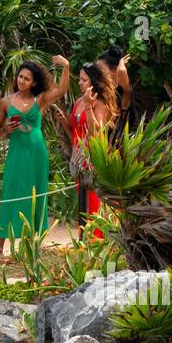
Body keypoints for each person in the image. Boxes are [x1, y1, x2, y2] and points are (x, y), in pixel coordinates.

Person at [0, 56, 70, 255]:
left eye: (27, 78)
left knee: (36, 193)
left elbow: (61, 90)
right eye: (20, 76)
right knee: (10, 192)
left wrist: (66, 66)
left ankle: (34, 243)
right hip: (17, 152)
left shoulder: (40, 99)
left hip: (37, 153)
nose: (22, 81)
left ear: (34, 82)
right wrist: (6, 129)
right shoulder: (5, 102)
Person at [68, 62, 118, 240]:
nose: (80, 83)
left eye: (84, 79)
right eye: (79, 79)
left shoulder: (99, 103)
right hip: (78, 157)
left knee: (95, 200)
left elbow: (96, 131)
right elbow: (75, 130)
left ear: (93, 82)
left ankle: (98, 240)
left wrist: (89, 107)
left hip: (94, 156)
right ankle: (84, 238)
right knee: (82, 199)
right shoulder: (78, 101)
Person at [97, 46, 133, 146]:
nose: (97, 72)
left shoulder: (124, 89)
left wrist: (120, 60)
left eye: (101, 70)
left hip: (118, 143)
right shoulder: (102, 88)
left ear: (114, 69)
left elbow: (121, 70)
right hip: (101, 141)